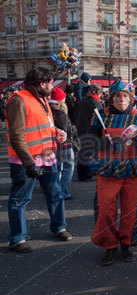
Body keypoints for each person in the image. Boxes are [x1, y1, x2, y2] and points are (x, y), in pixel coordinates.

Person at [5, 68, 72, 253]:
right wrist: (29, 164)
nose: (53, 86)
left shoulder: (41, 99)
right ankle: (17, 238)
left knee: (56, 195)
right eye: (51, 83)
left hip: (47, 157)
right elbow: (17, 136)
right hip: (26, 161)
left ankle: (59, 227)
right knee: (20, 199)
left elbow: (45, 126)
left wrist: (57, 133)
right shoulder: (19, 100)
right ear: (42, 84)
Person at [89, 80, 137, 266]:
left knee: (131, 210)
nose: (121, 99)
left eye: (124, 95)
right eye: (117, 96)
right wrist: (101, 143)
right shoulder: (100, 116)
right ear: (111, 99)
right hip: (108, 170)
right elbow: (88, 141)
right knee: (106, 209)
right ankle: (109, 245)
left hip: (132, 170)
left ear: (131, 98)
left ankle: (126, 244)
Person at [49, 88, 76, 200]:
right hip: (64, 143)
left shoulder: (48, 109)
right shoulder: (60, 112)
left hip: (53, 143)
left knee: (58, 167)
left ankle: (56, 189)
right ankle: (64, 192)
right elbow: (65, 129)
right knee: (68, 166)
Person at [75, 84, 103, 182]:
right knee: (88, 153)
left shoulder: (82, 100)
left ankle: (81, 174)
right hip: (90, 130)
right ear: (99, 92)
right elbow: (100, 118)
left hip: (80, 129)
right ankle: (88, 175)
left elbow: (75, 114)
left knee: (81, 152)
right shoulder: (97, 103)